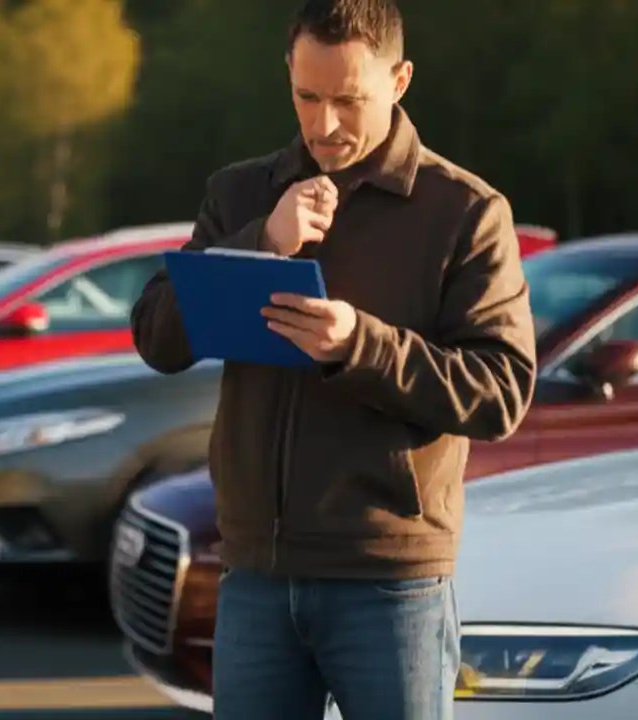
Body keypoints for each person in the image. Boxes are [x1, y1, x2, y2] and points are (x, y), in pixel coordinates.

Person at [130, 0, 538, 717]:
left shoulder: (466, 212)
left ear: (400, 79)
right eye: (306, 96)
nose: (323, 125)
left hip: (391, 583)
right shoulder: (240, 194)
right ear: (288, 72)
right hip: (255, 572)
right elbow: (157, 339)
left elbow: (500, 393)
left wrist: (359, 344)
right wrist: (262, 241)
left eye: (348, 100)